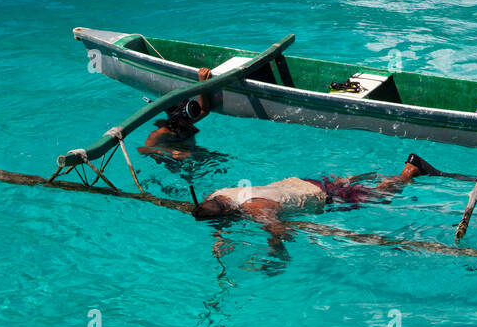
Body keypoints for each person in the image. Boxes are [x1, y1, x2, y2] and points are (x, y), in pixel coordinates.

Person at [191, 152, 443, 249]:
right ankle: (351, 179)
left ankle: (409, 171)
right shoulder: (216, 193)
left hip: (323, 196)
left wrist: (275, 251)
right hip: (302, 181)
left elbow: (278, 228)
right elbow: (213, 208)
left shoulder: (255, 209)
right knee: (346, 183)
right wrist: (220, 237)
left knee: (381, 197)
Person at [139, 67, 214, 160]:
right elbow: (142, 150)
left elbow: (204, 110)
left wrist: (202, 84)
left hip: (191, 153)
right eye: (187, 119)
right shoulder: (161, 133)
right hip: (173, 160)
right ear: (177, 118)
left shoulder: (186, 121)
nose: (191, 121)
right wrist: (169, 152)